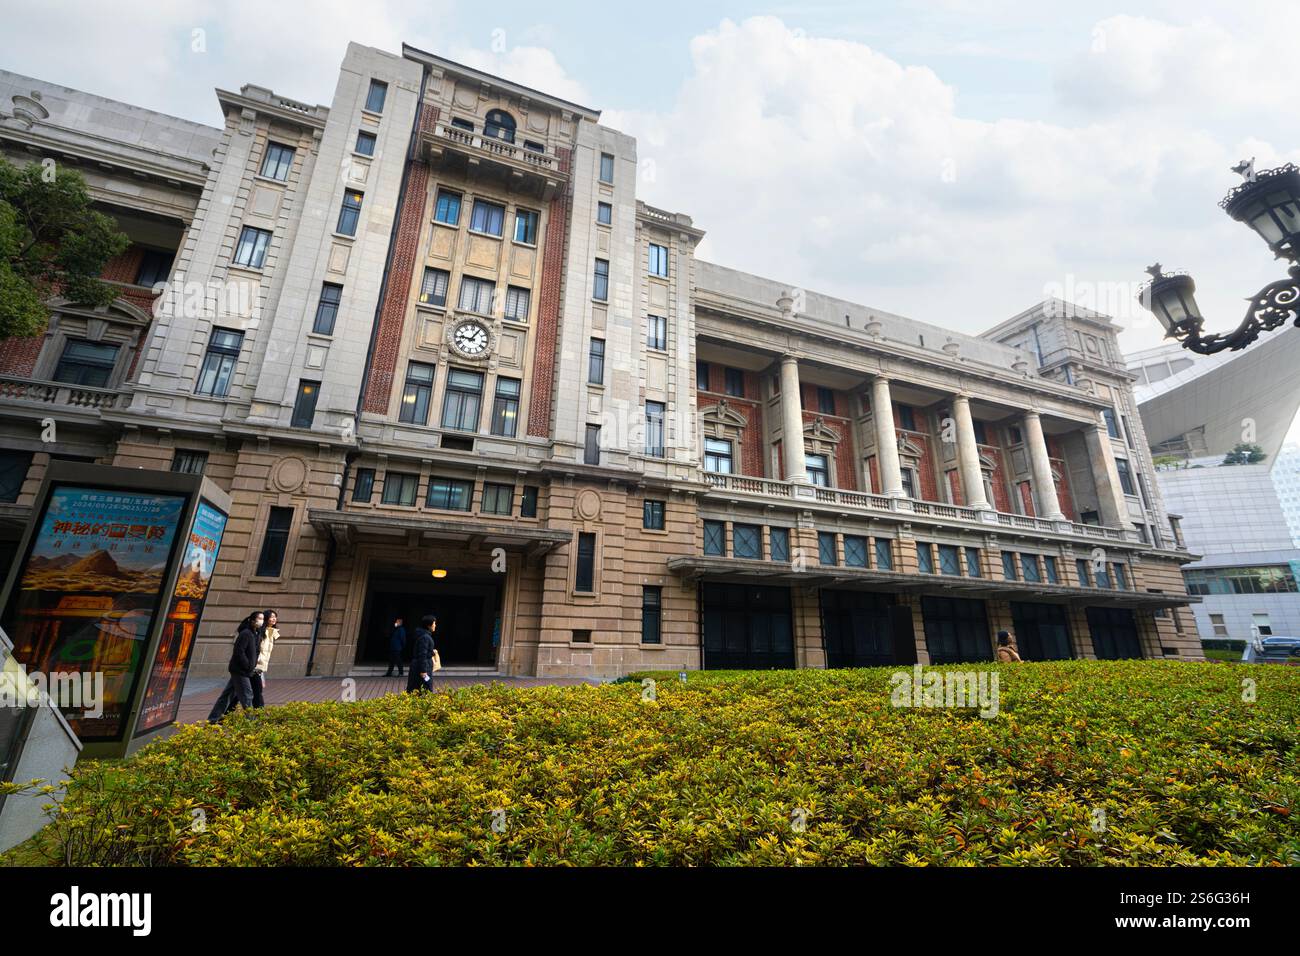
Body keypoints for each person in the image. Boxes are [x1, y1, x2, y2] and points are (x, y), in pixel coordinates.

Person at [206, 611, 264, 721]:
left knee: (227, 696)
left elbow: (255, 652)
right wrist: (247, 665)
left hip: (246, 670)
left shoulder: (256, 634)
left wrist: (253, 665)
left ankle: (213, 719)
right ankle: (251, 721)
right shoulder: (246, 633)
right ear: (252, 620)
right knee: (247, 695)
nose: (261, 621)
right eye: (259, 618)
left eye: (262, 618)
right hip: (240, 670)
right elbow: (239, 651)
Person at [250, 609, 279, 708]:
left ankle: (224, 714)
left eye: (275, 617)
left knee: (237, 693)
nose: (274, 619)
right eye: (271, 616)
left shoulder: (272, 632)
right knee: (257, 691)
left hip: (260, 667)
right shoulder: (260, 632)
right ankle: (259, 713)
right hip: (254, 666)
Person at [406, 614, 438, 693]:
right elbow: (422, 654)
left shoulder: (423, 635)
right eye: (434, 623)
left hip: (420, 666)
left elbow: (423, 651)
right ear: (429, 625)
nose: (435, 625)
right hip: (422, 667)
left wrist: (431, 652)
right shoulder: (425, 637)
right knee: (424, 690)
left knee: (417, 689)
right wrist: (423, 671)